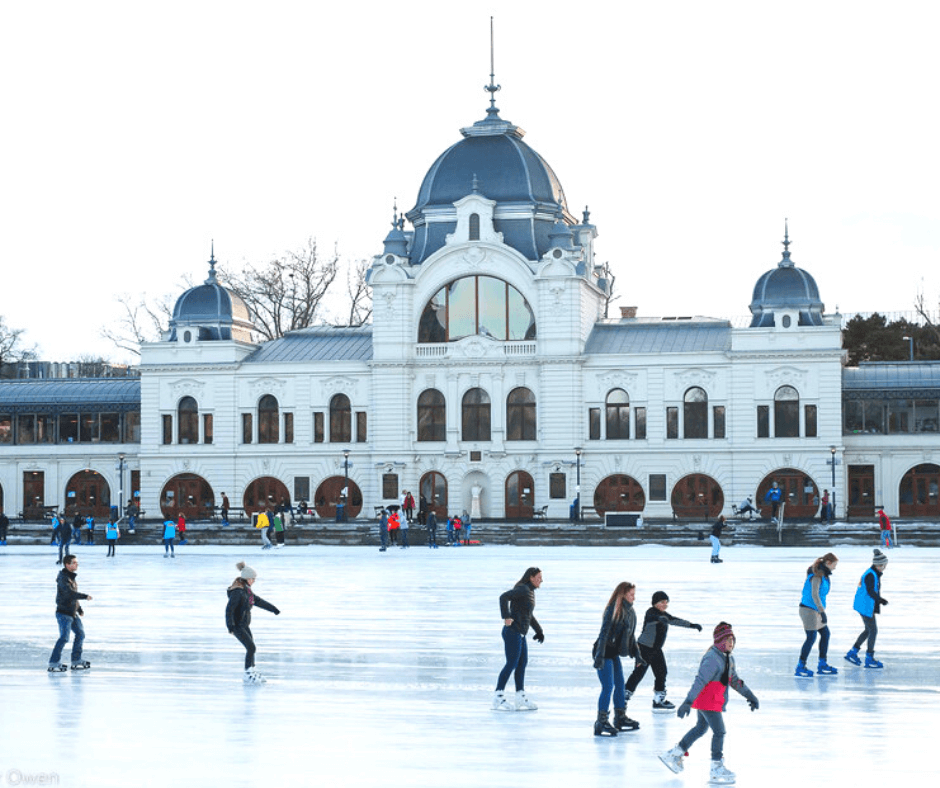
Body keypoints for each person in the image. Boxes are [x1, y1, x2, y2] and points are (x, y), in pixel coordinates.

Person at [659, 622, 759, 784]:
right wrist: (688, 701)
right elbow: (700, 680)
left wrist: (750, 696)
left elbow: (734, 680)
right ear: (720, 641)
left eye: (732, 640)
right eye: (728, 640)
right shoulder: (712, 658)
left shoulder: (728, 658)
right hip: (707, 701)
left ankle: (675, 753)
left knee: (700, 728)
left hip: (712, 701)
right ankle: (715, 768)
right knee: (720, 732)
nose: (731, 644)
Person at [626, 591, 702, 714]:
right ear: (655, 603)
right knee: (639, 673)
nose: (665, 605)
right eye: (662, 602)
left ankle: (658, 701)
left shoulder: (664, 615)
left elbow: (675, 620)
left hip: (656, 650)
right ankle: (623, 698)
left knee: (661, 672)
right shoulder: (650, 612)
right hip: (644, 648)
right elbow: (652, 618)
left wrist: (692, 625)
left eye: (666, 602)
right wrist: (659, 618)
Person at [592, 581, 640, 736]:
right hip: (603, 652)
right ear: (623, 595)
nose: (634, 598)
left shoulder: (630, 612)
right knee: (608, 687)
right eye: (631, 594)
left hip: (613, 654)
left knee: (620, 685)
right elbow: (603, 634)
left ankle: (620, 718)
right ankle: (601, 722)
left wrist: (638, 655)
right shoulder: (613, 610)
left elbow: (631, 637)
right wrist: (599, 657)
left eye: (634, 594)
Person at [493, 567, 544, 712]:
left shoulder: (530, 591)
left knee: (522, 664)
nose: (542, 580)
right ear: (531, 577)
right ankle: (498, 696)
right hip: (512, 631)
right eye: (539, 577)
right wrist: (506, 616)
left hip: (520, 633)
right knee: (512, 663)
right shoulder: (523, 590)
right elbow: (503, 597)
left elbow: (529, 615)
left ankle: (520, 696)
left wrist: (539, 631)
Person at [225, 561, 281, 683]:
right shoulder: (238, 592)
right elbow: (229, 609)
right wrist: (230, 626)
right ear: (247, 579)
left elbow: (258, 601)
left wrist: (273, 609)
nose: (254, 581)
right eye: (253, 579)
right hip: (237, 625)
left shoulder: (246, 591)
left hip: (244, 625)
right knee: (251, 647)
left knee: (252, 648)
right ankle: (248, 673)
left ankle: (251, 670)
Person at [795, 553, 839, 677]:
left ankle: (822, 664)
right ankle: (800, 666)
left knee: (825, 634)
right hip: (808, 610)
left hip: (816, 610)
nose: (835, 568)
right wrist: (822, 611)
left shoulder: (824, 574)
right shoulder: (817, 575)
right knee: (811, 637)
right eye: (834, 565)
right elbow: (814, 595)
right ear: (828, 563)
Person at [47, 555, 93, 672]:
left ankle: (76, 660)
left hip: (72, 612)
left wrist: (79, 609)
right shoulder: (63, 578)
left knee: (80, 634)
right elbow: (69, 594)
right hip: (63, 613)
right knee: (64, 638)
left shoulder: (71, 577)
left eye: (77, 562)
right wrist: (85, 596)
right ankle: (53, 662)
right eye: (74, 563)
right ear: (67, 564)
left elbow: (73, 595)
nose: (77, 564)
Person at [845, 549, 889, 669]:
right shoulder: (871, 574)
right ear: (879, 565)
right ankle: (869, 658)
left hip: (864, 604)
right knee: (873, 630)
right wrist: (880, 600)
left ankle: (853, 652)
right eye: (884, 565)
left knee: (868, 630)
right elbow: (870, 591)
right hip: (865, 605)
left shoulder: (873, 573)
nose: (885, 567)